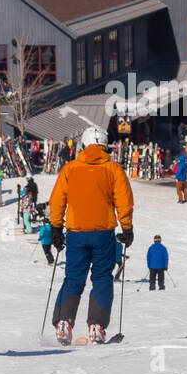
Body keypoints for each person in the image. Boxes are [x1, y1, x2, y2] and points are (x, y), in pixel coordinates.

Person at [48, 127, 135, 345]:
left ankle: (64, 322)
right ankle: (96, 326)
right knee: (102, 279)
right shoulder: (113, 169)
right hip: (103, 233)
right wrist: (126, 227)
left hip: (77, 233)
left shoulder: (71, 168)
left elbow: (57, 200)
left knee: (74, 277)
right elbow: (124, 200)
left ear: (84, 145)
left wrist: (56, 229)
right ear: (105, 146)